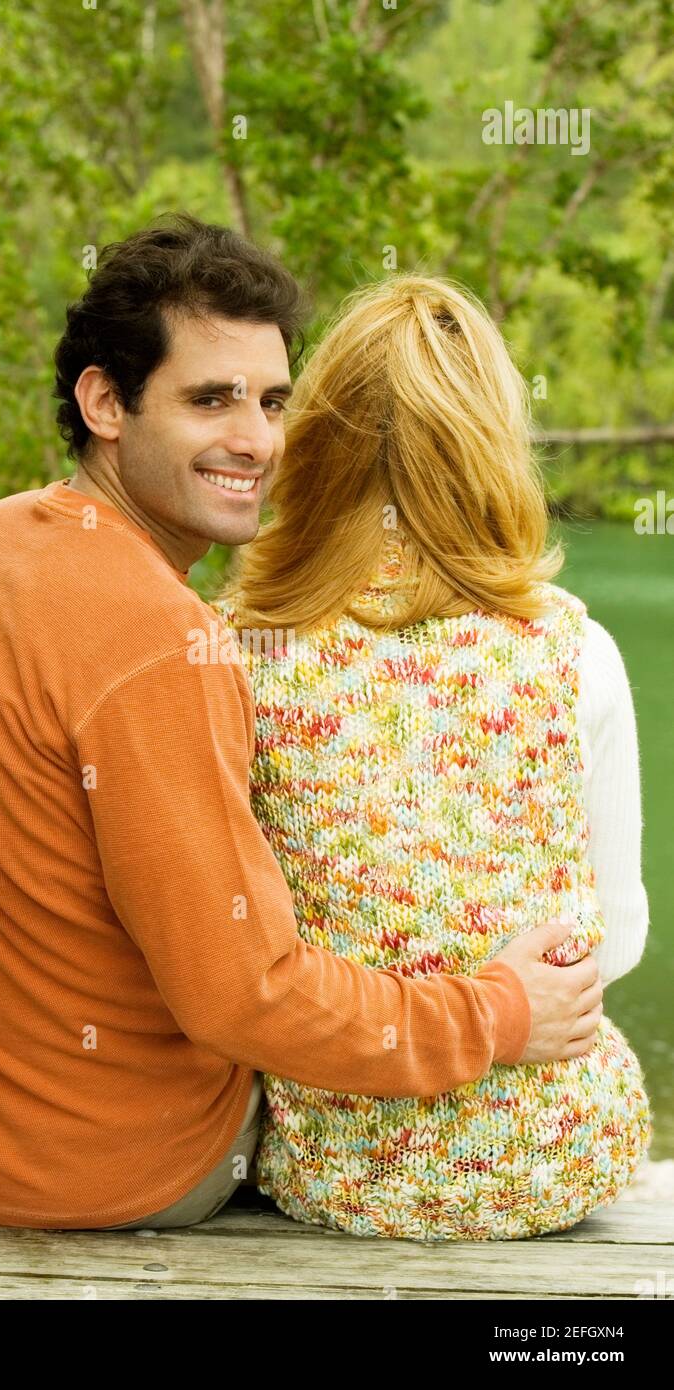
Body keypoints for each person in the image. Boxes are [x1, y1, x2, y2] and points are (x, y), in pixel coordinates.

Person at [0, 218, 601, 1232]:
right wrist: (494, 1012)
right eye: (209, 399)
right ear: (104, 401)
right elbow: (245, 998)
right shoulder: (163, 644)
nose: (256, 440)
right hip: (103, 1171)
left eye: (273, 401)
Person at [212, 272, 652, 1240]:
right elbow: (610, 950)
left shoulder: (233, 649)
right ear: (494, 449)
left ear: (312, 447)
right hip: (551, 1157)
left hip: (327, 1164)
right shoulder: (572, 650)